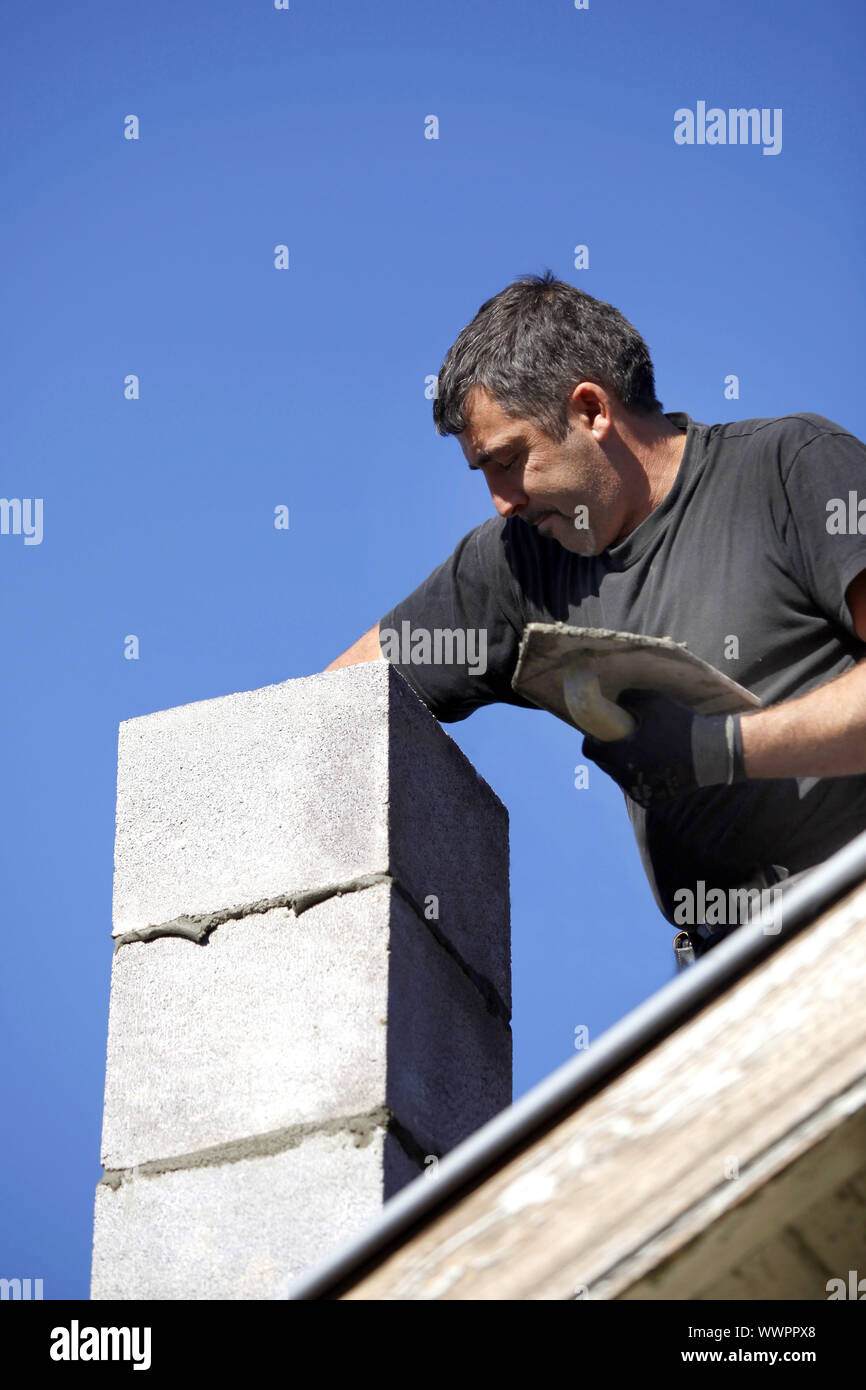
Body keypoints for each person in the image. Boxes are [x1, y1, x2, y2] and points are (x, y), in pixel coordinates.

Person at [326, 271, 866, 966]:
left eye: (509, 460)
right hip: (726, 980)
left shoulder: (789, 468)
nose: (500, 501)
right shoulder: (515, 567)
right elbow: (337, 704)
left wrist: (717, 749)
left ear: (591, 410)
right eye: (481, 474)